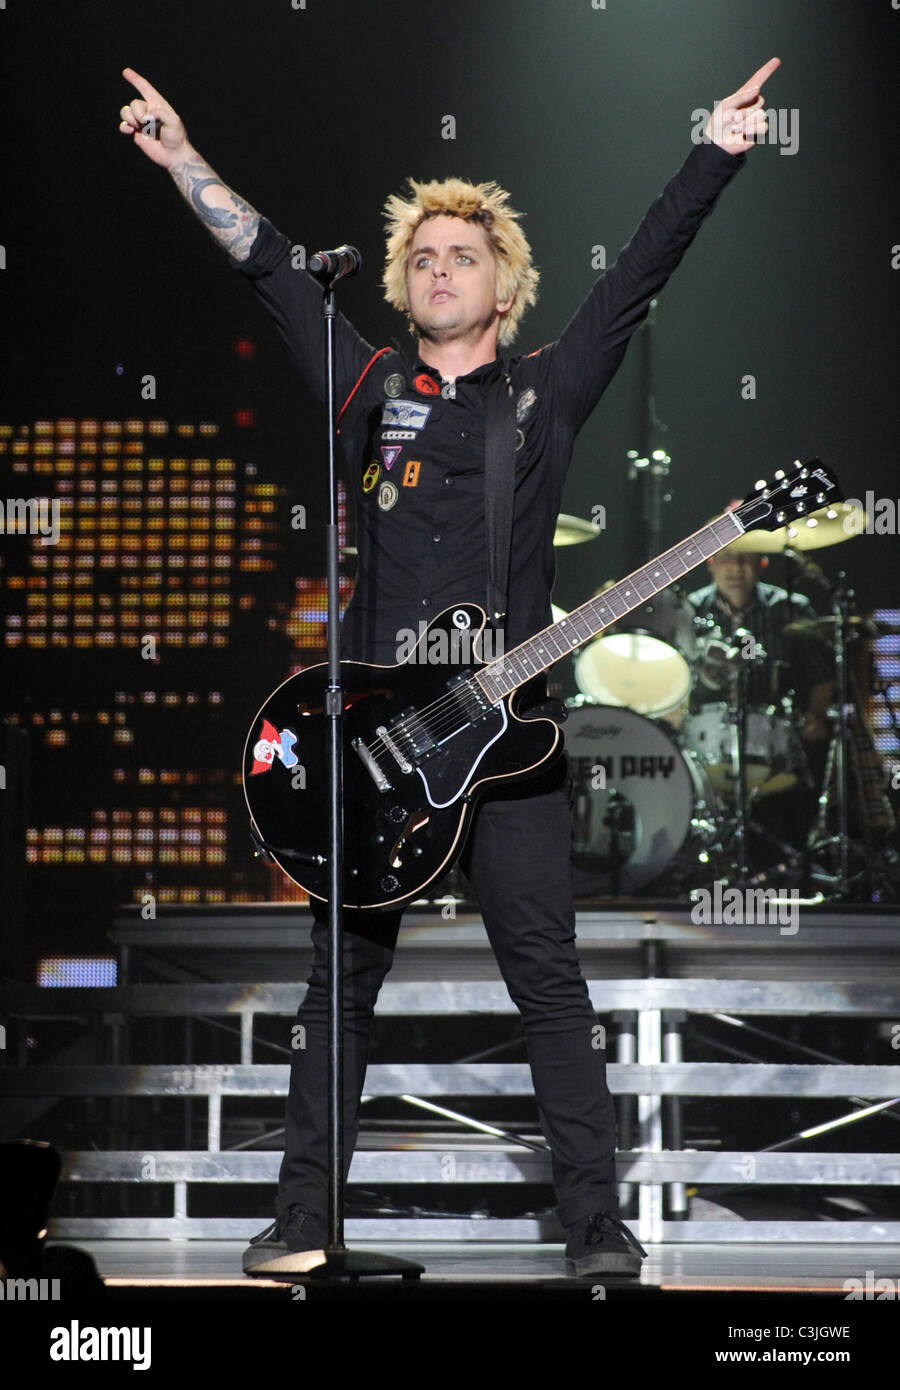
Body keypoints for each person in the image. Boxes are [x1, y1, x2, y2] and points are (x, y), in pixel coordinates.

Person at [119, 57, 780, 1277]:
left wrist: (717, 153)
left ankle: (597, 1229)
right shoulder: (369, 385)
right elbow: (265, 261)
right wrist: (179, 160)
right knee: (340, 990)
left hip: (513, 742)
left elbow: (638, 274)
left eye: (460, 257)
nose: (437, 270)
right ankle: (302, 1223)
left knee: (550, 986)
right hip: (372, 743)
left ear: (505, 283)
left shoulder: (549, 391)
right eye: (421, 258)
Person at [686, 542, 834, 862]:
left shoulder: (790, 607)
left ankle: (797, 861)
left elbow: (823, 676)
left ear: (762, 563)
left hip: (777, 738)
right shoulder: (689, 610)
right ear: (709, 561)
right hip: (701, 740)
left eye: (746, 558)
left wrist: (815, 715)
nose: (736, 568)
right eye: (726, 557)